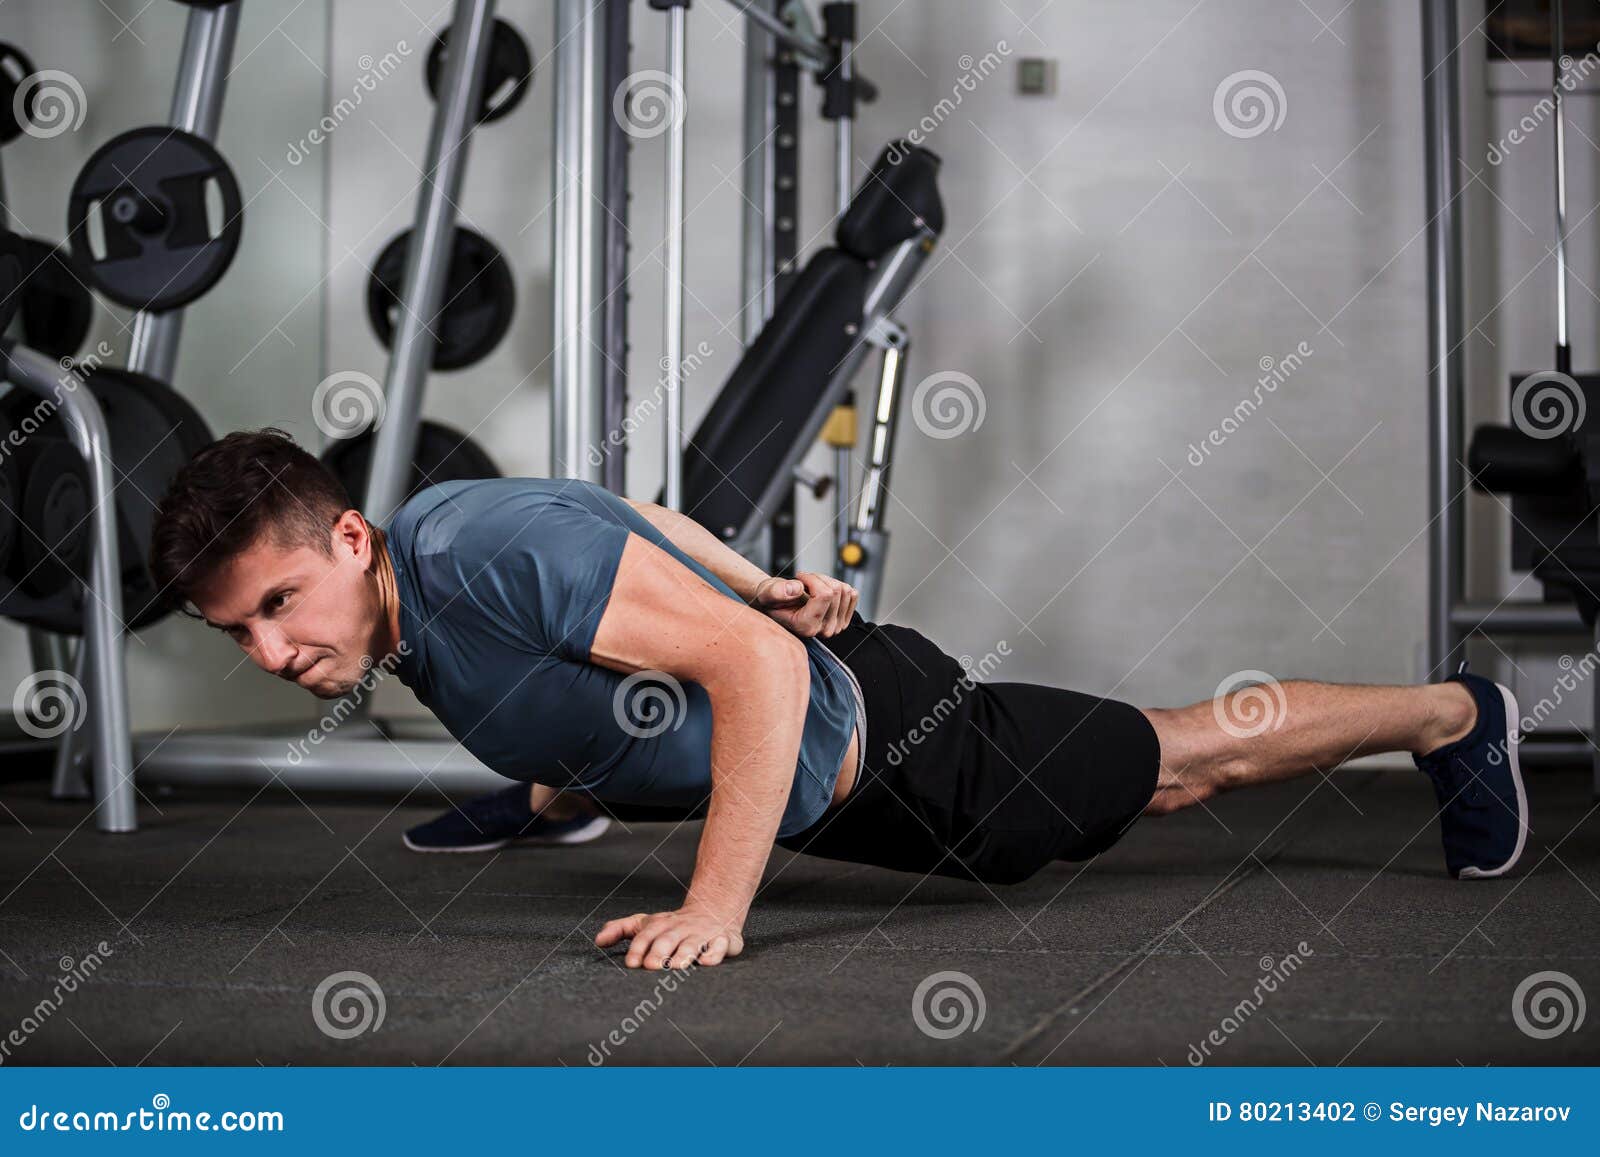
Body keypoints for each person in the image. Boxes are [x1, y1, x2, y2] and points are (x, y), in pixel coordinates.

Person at [150, 430, 1529, 970]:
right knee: (1156, 765)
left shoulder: (474, 554)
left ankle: (1452, 717)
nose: (273, 654)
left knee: (1177, 762)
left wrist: (714, 907)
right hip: (840, 778)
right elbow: (617, 512)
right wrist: (748, 582)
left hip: (906, 750)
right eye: (239, 639)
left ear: (345, 541)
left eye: (276, 606)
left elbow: (748, 672)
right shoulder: (413, 592)